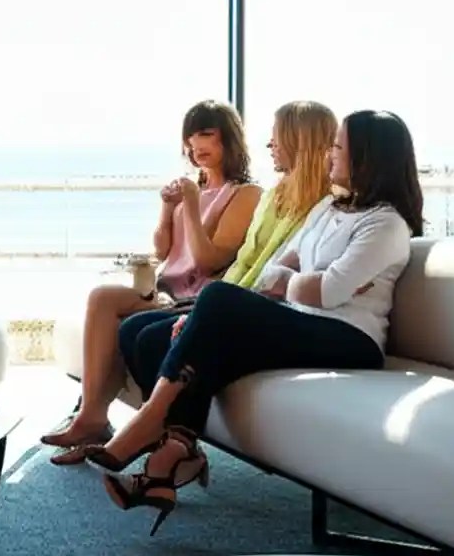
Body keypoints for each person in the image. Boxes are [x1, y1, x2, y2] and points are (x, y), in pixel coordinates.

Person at [96, 110, 422, 536]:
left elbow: (324, 293)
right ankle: (171, 457)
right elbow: (280, 274)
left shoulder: (386, 224)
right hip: (304, 320)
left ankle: (152, 420)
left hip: (349, 338)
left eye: (338, 146)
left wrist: (309, 284)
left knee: (214, 300)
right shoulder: (329, 206)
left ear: (366, 156)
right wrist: (307, 283)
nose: (330, 154)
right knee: (166, 336)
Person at [41, 100, 260, 460]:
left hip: (195, 298)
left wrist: (190, 204)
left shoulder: (245, 194)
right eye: (190, 138)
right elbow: (162, 251)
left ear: (229, 139)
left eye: (205, 134)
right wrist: (166, 207)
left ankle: (94, 421)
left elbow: (208, 260)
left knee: (109, 308)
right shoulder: (194, 187)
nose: (195, 146)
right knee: (102, 299)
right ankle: (92, 416)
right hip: (162, 290)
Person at [113, 102, 338, 422]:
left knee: (148, 338)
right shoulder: (275, 197)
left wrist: (207, 308)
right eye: (190, 138)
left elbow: (224, 265)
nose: (270, 145)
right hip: (225, 295)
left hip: (255, 304)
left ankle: (170, 439)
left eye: (277, 137)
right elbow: (238, 263)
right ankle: (160, 434)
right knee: (133, 329)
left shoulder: (313, 205)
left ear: (296, 141)